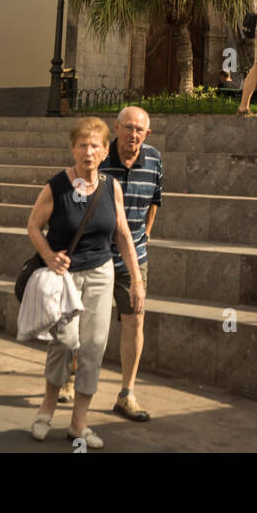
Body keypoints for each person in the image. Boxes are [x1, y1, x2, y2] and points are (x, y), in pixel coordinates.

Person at [26, 117, 144, 446]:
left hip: (101, 273)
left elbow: (122, 235)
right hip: (64, 276)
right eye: (82, 145)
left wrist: (136, 279)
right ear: (72, 149)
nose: (88, 151)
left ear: (105, 152)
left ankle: (79, 422)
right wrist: (50, 256)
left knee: (93, 347)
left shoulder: (111, 187)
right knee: (64, 342)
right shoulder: (58, 186)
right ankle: (46, 410)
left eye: (94, 146)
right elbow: (33, 226)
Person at [99, 106, 162, 422]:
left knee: (134, 321)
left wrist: (145, 236)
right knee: (84, 323)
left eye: (140, 130)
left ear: (147, 134)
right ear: (116, 128)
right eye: (128, 128)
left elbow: (155, 201)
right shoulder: (99, 158)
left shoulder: (154, 160)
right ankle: (71, 374)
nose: (133, 134)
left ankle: (126, 393)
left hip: (134, 258)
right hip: (95, 256)